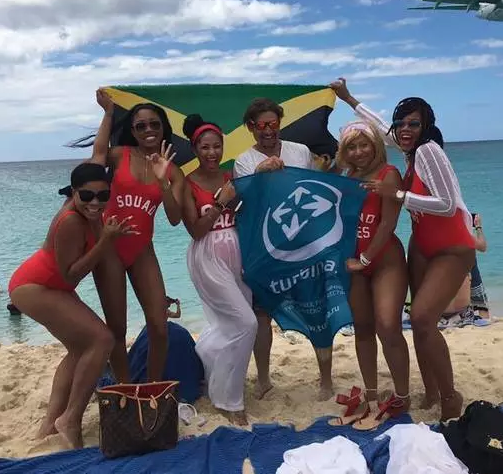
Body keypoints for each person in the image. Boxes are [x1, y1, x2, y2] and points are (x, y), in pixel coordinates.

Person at [331, 78, 475, 421]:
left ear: (426, 125)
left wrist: (395, 195)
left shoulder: (427, 151)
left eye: (414, 123)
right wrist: (348, 99)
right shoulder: (410, 151)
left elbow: (446, 203)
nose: (405, 130)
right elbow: (380, 128)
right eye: (402, 124)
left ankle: (450, 397)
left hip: (452, 247)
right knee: (420, 323)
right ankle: (431, 392)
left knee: (423, 318)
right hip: (422, 245)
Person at [8, 162, 136, 448]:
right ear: (74, 193)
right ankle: (70, 418)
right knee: (103, 339)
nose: (95, 202)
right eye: (87, 196)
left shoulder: (90, 213)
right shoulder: (70, 221)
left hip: (51, 286)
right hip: (35, 286)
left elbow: (100, 153)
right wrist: (105, 242)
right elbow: (72, 273)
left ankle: (49, 425)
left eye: (103, 196)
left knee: (81, 350)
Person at [69, 89, 184, 383]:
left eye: (154, 124)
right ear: (131, 131)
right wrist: (108, 113)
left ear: (163, 128)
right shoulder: (121, 155)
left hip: (142, 250)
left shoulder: (173, 171)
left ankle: (152, 388)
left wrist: (163, 183)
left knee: (159, 326)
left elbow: (174, 218)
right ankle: (124, 389)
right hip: (108, 248)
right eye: (140, 126)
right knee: (117, 329)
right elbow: (96, 158)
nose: (148, 130)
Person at [233, 97, 334, 401]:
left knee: (317, 310)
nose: (268, 130)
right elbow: (246, 203)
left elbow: (315, 187)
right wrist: (260, 173)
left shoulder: (300, 151)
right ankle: (263, 379)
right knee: (262, 314)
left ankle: (326, 379)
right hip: (267, 248)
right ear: (251, 128)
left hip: (306, 245)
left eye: (273, 124)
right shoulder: (244, 161)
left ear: (280, 124)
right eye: (260, 125)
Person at [330, 120, 410, 429]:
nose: (359, 151)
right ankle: (373, 396)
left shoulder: (388, 175)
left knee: (388, 325)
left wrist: (365, 258)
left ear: (376, 145)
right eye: (352, 146)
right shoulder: (347, 177)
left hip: (385, 261)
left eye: (365, 144)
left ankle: (402, 396)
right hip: (355, 263)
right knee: (362, 328)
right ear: (345, 152)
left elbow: (388, 223)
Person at [181, 114, 257, 425]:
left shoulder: (232, 176)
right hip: (207, 256)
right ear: (195, 149)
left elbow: (250, 213)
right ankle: (228, 400)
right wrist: (220, 202)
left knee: (226, 325)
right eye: (205, 147)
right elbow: (196, 230)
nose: (212, 153)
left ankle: (206, 363)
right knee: (247, 323)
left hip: (236, 254)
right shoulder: (187, 183)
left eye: (217, 147)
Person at [440, 212, 490, 326]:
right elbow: (483, 246)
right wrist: (478, 227)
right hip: (469, 266)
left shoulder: (445, 233)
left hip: (449, 268)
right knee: (481, 304)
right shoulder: (463, 235)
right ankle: (485, 323)